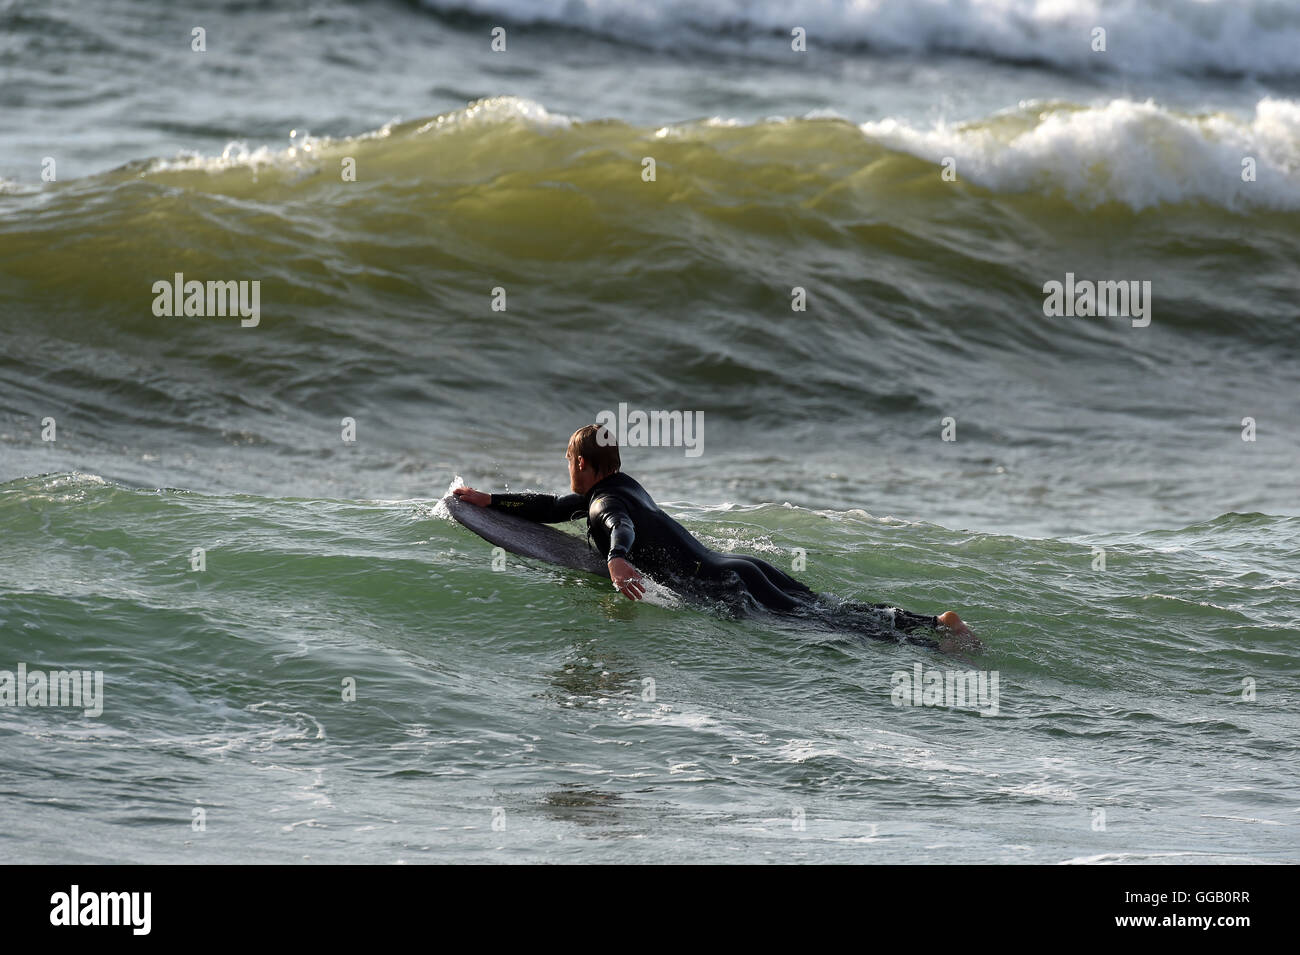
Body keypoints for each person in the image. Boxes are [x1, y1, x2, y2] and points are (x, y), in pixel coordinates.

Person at [453, 424, 973, 646]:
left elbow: (617, 524)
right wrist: (489, 501)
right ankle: (932, 624)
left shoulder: (608, 503)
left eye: (568, 463)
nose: (567, 472)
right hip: (740, 566)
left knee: (831, 630)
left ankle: (931, 640)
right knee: (829, 610)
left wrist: (616, 558)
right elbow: (556, 506)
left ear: (582, 463)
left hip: (729, 585)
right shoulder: (621, 485)